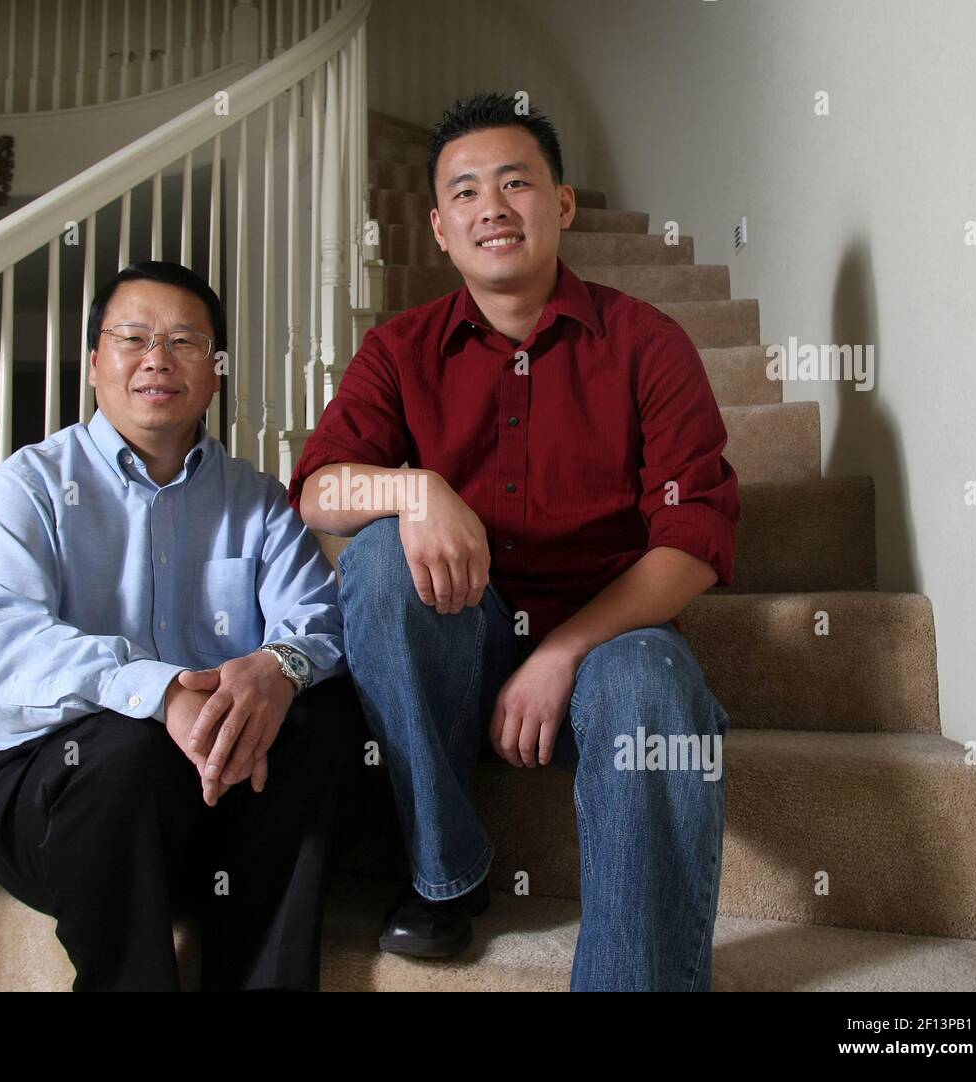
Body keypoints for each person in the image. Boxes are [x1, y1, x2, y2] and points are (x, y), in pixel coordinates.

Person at [289, 92, 740, 991]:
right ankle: (445, 876)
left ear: (562, 205)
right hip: (467, 639)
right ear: (441, 229)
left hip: (609, 649)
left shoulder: (648, 344)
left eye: (515, 183)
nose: (491, 206)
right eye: (465, 192)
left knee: (650, 683)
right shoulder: (398, 349)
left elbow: (692, 540)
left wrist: (564, 652)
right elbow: (317, 490)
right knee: (379, 558)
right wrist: (417, 487)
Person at [0, 260, 364, 992]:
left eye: (184, 343)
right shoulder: (31, 486)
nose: (156, 360)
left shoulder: (257, 501)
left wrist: (276, 670)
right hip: (60, 806)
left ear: (216, 372)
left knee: (319, 716)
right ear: (95, 363)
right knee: (123, 747)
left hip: (217, 801)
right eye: (132, 338)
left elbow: (320, 619)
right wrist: (162, 692)